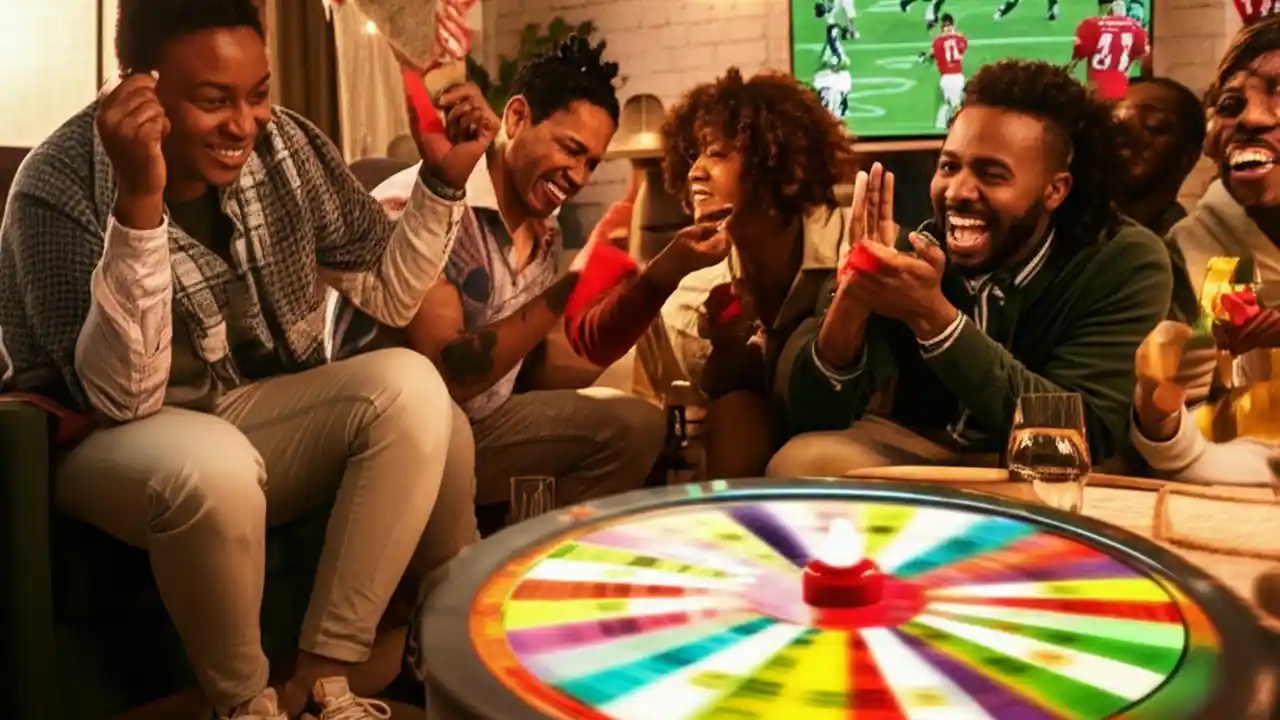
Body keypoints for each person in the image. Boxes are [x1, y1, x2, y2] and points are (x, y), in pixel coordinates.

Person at [0, 1, 482, 718]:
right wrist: (139, 200)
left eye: (257, 93)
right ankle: (244, 705)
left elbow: (386, 288)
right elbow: (121, 397)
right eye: (213, 100)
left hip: (245, 409)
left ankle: (324, 684)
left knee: (416, 391)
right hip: (98, 438)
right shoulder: (59, 182)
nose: (245, 124)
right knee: (213, 466)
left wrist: (442, 182)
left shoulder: (285, 146)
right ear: (138, 88)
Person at [766, 60, 1172, 477]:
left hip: (1054, 467)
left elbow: (1079, 433)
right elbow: (812, 415)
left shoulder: (1124, 259)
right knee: (800, 464)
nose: (957, 192)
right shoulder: (910, 255)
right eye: (949, 167)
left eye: (992, 175)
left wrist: (934, 318)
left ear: (1055, 190)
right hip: (925, 452)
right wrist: (852, 297)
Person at [333, 36, 665, 512]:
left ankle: (540, 559)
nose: (579, 176)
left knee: (637, 423)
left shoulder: (544, 231)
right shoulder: (425, 204)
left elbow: (532, 366)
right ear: (516, 117)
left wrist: (645, 293)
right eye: (571, 150)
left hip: (480, 426)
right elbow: (451, 373)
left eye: (591, 162)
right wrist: (574, 282)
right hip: (397, 436)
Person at [565, 68, 857, 478]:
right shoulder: (690, 286)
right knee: (737, 419)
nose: (695, 172)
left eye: (716, 154)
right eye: (694, 155)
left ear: (774, 163)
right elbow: (655, 400)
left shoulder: (851, 246)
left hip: (846, 431)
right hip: (744, 445)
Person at [1131, 17, 1280, 484]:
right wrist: (1160, 404)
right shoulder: (1203, 255)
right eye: (1232, 104)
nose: (1252, 119)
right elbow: (1222, 443)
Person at [1072, 0, 1149, 102]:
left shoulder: (1090, 25)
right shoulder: (1137, 29)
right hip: (1122, 93)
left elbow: (1076, 58)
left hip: (1096, 93)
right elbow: (1145, 60)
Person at [926, 14, 967, 129]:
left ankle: (941, 125)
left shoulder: (938, 41)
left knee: (951, 103)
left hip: (947, 77)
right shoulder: (960, 38)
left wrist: (926, 57)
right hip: (957, 75)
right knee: (955, 104)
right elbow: (961, 49)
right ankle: (944, 126)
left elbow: (932, 55)